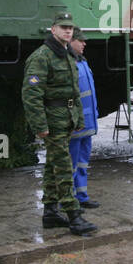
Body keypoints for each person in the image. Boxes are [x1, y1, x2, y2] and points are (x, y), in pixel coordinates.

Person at [22, 12, 97, 236]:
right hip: (52, 121)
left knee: (52, 167)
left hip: (67, 119)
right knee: (64, 167)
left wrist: (79, 120)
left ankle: (51, 212)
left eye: (70, 28)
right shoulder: (41, 57)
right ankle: (74, 216)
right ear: (53, 29)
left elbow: (75, 92)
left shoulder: (67, 55)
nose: (67, 31)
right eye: (63, 27)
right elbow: (31, 94)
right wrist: (40, 126)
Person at [68, 30, 100, 209]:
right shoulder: (68, 63)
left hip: (87, 125)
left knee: (82, 163)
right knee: (71, 165)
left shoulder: (82, 62)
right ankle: (69, 199)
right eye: (80, 41)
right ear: (71, 41)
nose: (84, 44)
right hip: (75, 126)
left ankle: (82, 196)